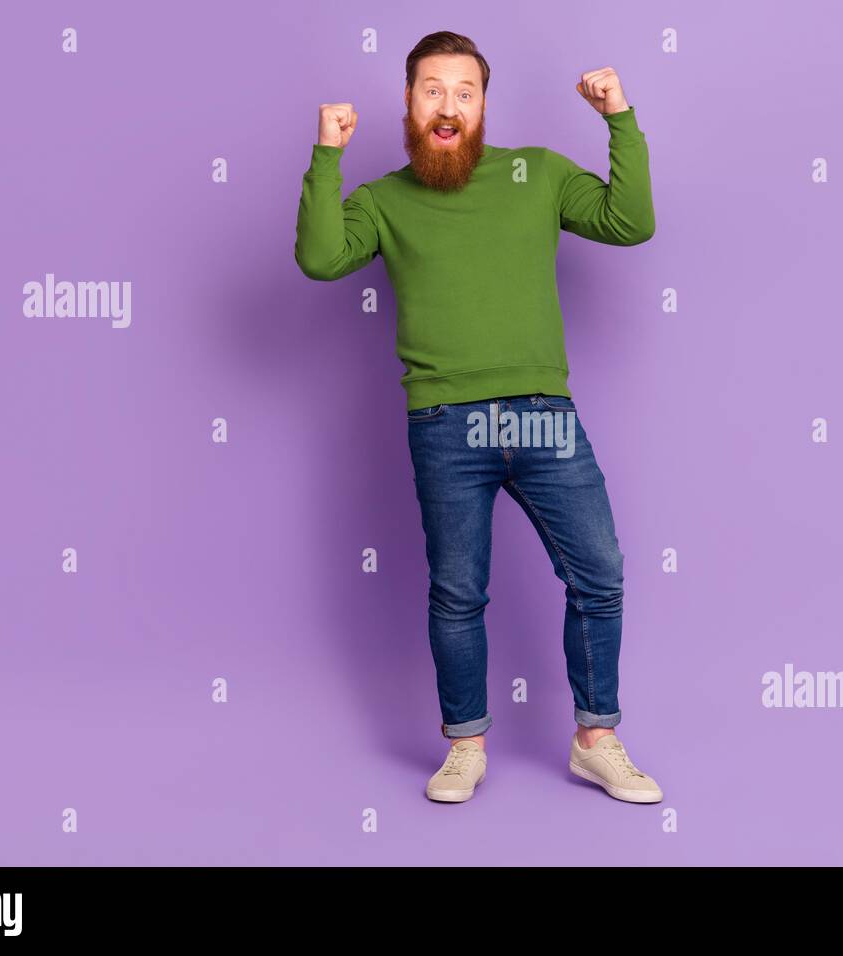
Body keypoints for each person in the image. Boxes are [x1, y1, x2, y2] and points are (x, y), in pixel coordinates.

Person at [295, 30, 662, 804]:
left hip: (540, 416)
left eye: (464, 92)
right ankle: (465, 745)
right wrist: (326, 154)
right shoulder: (387, 199)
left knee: (598, 572)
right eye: (433, 90)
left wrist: (619, 117)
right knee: (458, 593)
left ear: (484, 105)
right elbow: (322, 258)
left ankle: (596, 738)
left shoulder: (536, 174)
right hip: (445, 422)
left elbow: (629, 223)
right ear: (409, 102)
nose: (449, 105)